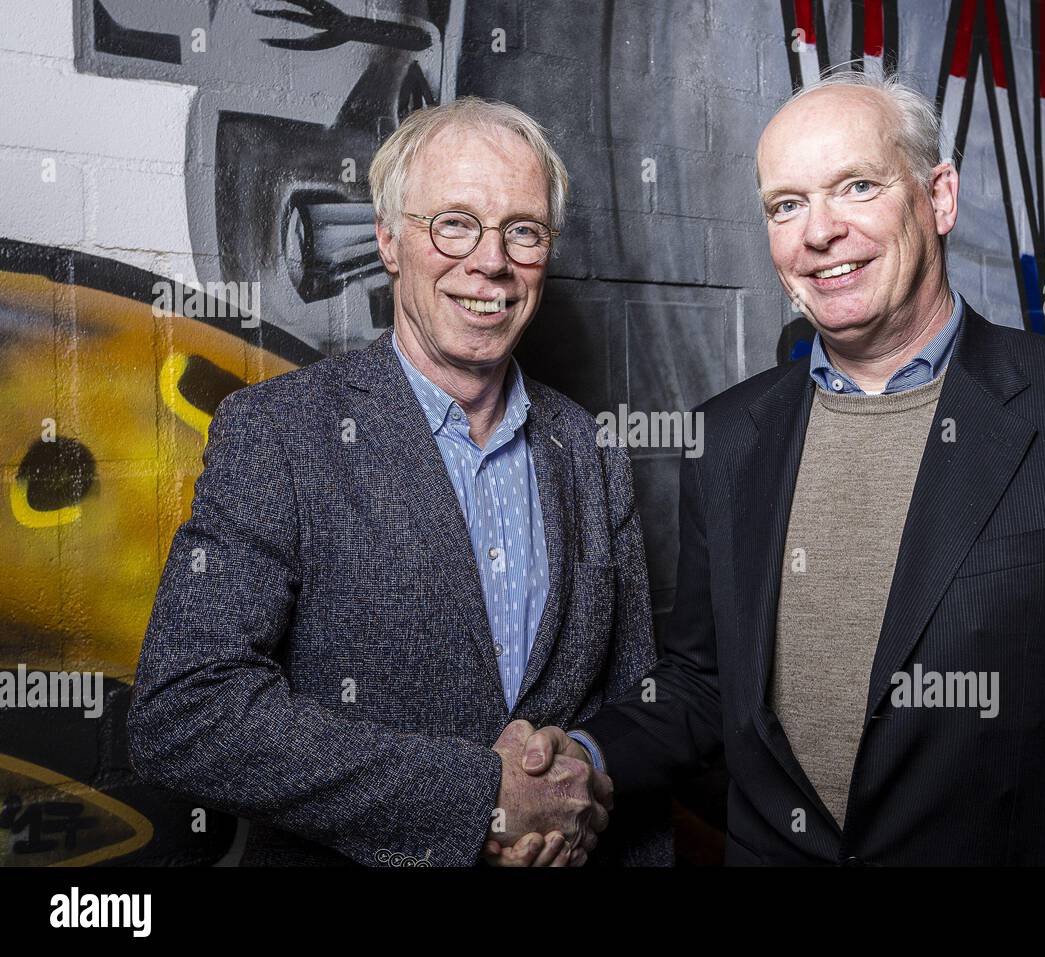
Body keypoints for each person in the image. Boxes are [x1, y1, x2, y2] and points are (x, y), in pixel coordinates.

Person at [505, 70, 1045, 865]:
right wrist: (580, 759)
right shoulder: (728, 435)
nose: (819, 231)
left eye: (856, 185)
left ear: (939, 197)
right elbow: (706, 683)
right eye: (786, 204)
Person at [128, 97, 669, 867]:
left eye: (523, 230)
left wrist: (580, 758)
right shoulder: (278, 433)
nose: (491, 262)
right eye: (454, 222)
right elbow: (184, 711)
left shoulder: (586, 446)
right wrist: (481, 796)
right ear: (387, 240)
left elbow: (636, 706)